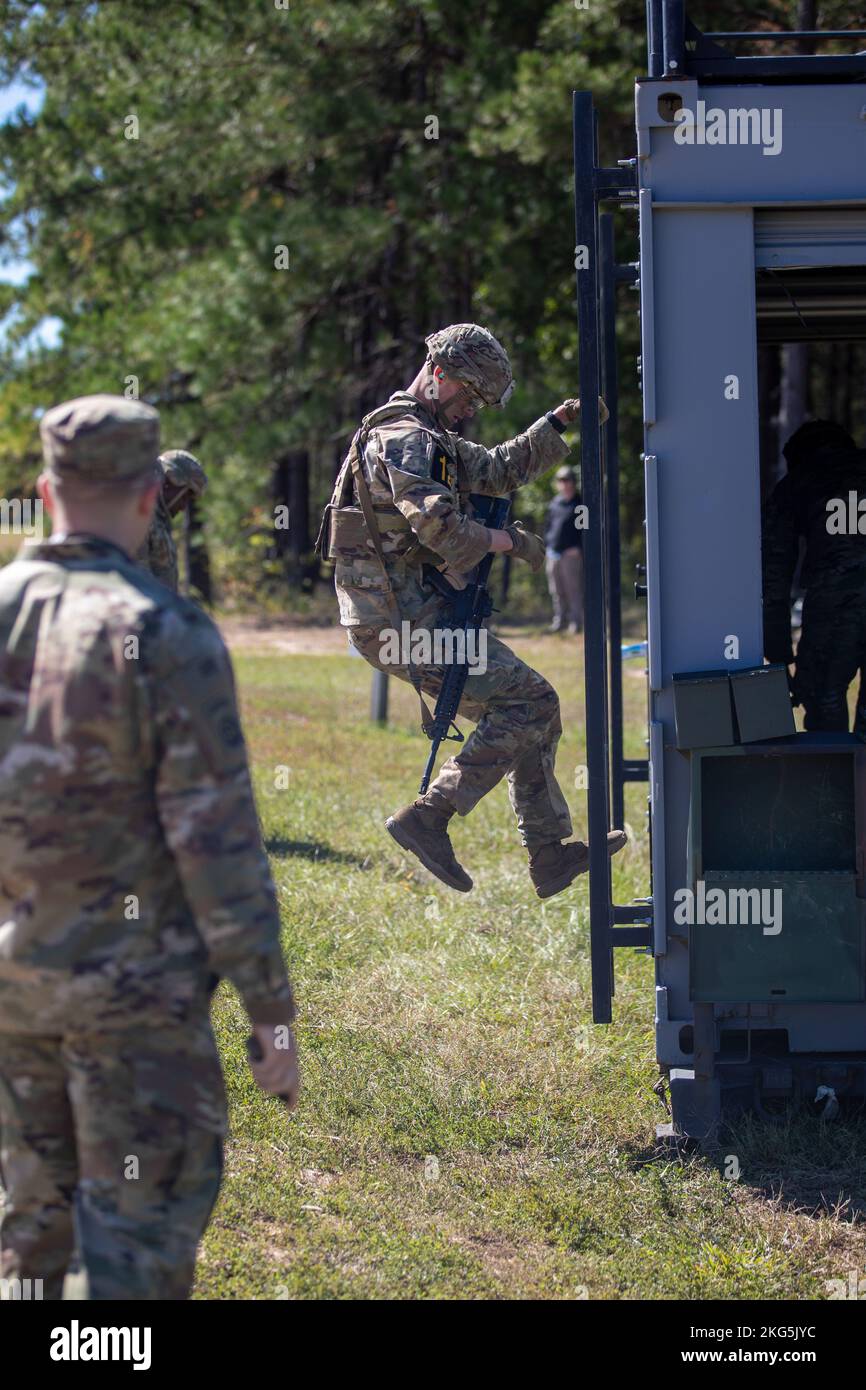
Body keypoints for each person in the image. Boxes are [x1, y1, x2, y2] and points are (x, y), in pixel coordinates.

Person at [0, 395, 298, 1301]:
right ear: (148, 499)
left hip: (14, 996)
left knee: (30, 1243)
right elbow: (219, 848)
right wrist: (269, 1010)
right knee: (135, 1254)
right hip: (137, 1008)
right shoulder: (166, 630)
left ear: (47, 494)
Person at [322, 323, 626, 899]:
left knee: (533, 709)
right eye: (468, 396)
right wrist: (512, 543)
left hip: (409, 617)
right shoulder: (408, 438)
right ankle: (429, 817)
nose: (469, 411)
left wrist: (558, 424)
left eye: (480, 403)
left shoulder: (428, 436)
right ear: (438, 374)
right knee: (530, 700)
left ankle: (549, 854)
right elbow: (441, 530)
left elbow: (496, 469)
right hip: (400, 625)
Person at [762, 418, 866, 733]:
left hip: (835, 605)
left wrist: (778, 654)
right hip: (837, 602)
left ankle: (831, 780)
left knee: (825, 701)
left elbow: (773, 578)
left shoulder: (798, 483)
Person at [136, 447, 207, 591]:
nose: (183, 507)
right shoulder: (138, 519)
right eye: (185, 496)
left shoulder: (157, 521)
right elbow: (139, 583)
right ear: (170, 482)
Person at [545, 464, 585, 634]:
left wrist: (579, 548)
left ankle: (576, 622)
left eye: (567, 479)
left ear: (573, 482)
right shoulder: (555, 503)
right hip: (553, 554)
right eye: (561, 480)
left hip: (571, 555)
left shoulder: (580, 504)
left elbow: (585, 530)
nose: (564, 483)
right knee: (556, 591)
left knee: (573, 590)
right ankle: (559, 621)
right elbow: (548, 527)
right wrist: (547, 547)